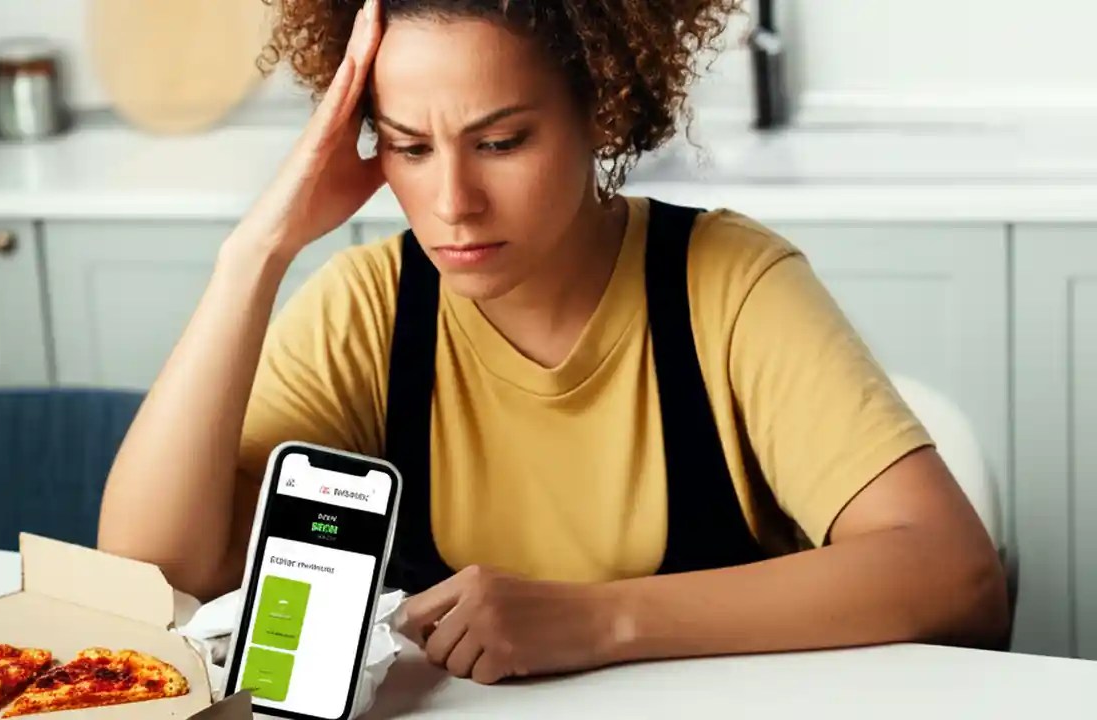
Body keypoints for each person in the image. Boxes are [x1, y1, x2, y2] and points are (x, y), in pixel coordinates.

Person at [97, 0, 1009, 686]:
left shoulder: (729, 284)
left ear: (603, 111)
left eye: (500, 142)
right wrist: (256, 252)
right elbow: (154, 571)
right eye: (409, 148)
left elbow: (955, 578)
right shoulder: (366, 306)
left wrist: (598, 622)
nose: (452, 202)